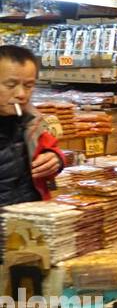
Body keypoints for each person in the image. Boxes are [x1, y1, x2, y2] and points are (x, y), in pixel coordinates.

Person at [0, 45, 64, 205]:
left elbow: (52, 150)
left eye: (28, 86)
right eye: (10, 85)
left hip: (27, 220)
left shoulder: (32, 121)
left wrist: (55, 159)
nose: (21, 94)